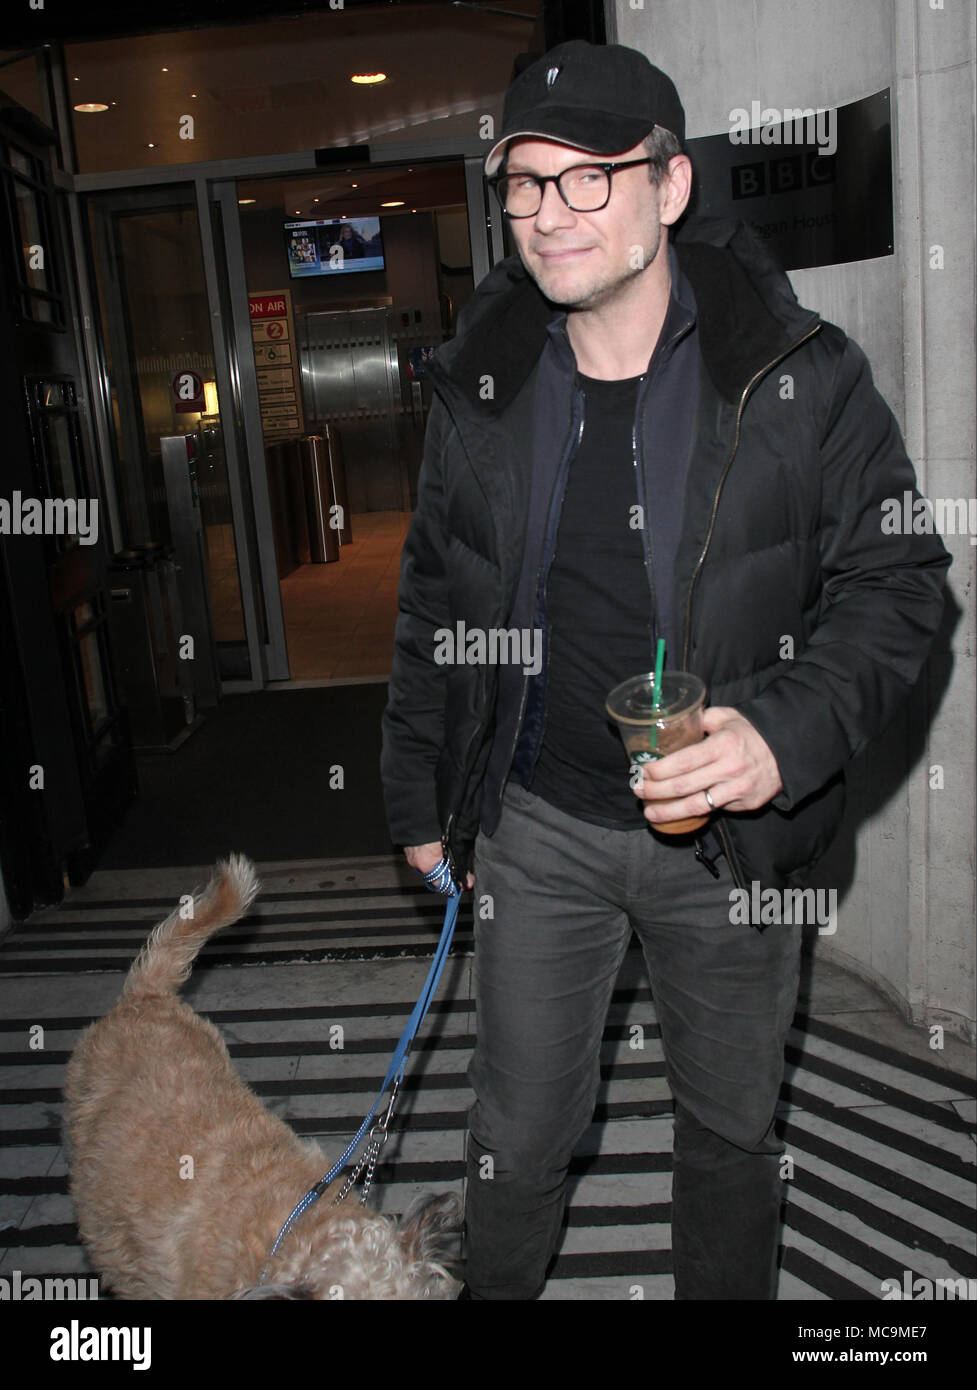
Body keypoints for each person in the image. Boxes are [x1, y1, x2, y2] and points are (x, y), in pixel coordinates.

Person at [379, 39, 950, 1300]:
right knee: (515, 1139)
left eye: (589, 178)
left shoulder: (798, 374)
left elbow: (902, 582)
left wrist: (783, 735)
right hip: (536, 828)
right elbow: (437, 592)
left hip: (733, 848)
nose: (547, 214)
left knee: (730, 1134)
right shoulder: (481, 383)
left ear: (670, 188)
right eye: (525, 183)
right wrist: (416, 786)